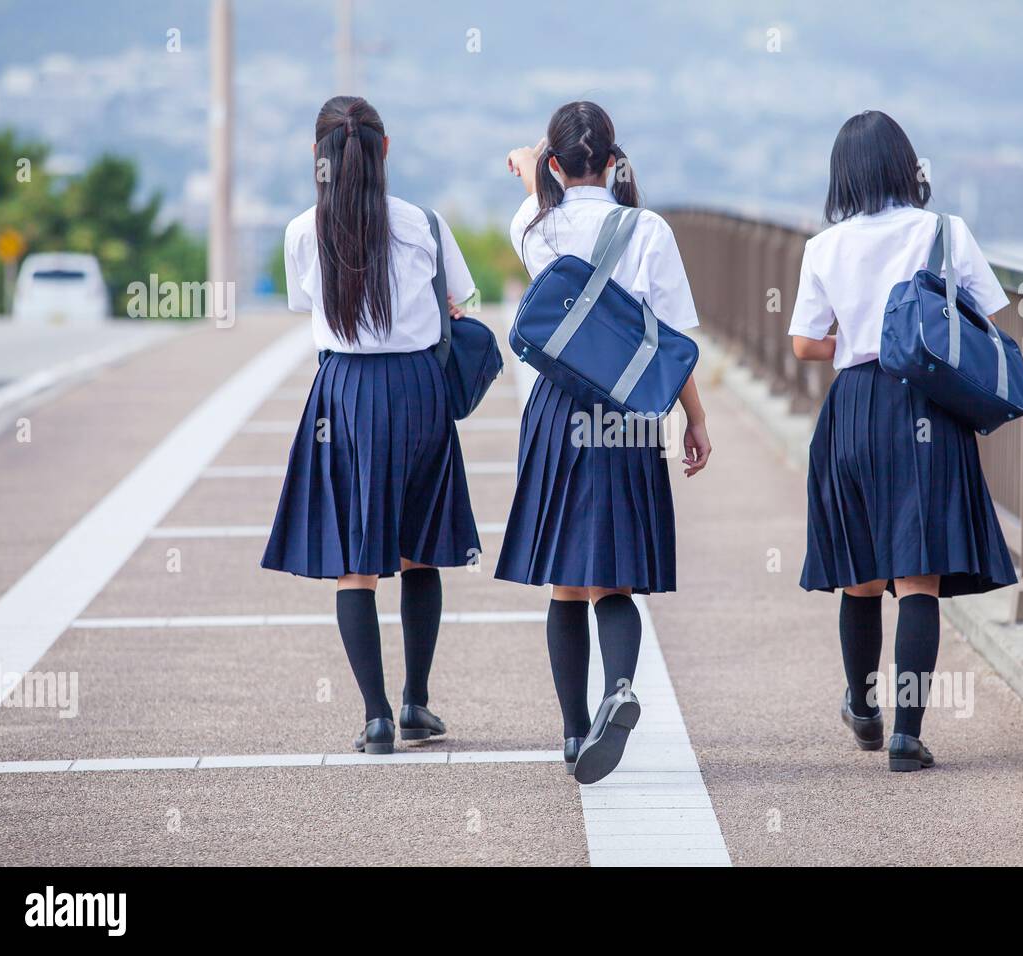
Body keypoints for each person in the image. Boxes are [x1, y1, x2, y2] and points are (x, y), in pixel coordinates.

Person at [788, 110, 1017, 772]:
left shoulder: (824, 246)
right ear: (905, 166)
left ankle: (862, 706)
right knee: (918, 578)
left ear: (844, 176)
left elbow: (804, 342)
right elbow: (989, 320)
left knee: (859, 578)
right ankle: (906, 736)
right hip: (924, 405)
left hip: (853, 404)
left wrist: (859, 338)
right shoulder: (944, 232)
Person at [499, 101, 712, 784]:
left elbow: (540, 201)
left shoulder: (534, 225)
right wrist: (696, 420)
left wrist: (536, 172)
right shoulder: (649, 229)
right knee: (613, 578)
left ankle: (571, 731)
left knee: (566, 581)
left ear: (557, 162)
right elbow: (674, 345)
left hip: (557, 409)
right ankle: (620, 688)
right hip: (626, 410)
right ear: (616, 160)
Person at [262, 96, 481, 755]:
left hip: (346, 394)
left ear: (316, 157)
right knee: (419, 549)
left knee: (355, 562)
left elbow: (306, 300)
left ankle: (377, 716)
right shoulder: (425, 224)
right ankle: (417, 702)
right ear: (386, 149)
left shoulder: (305, 230)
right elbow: (460, 301)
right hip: (419, 390)